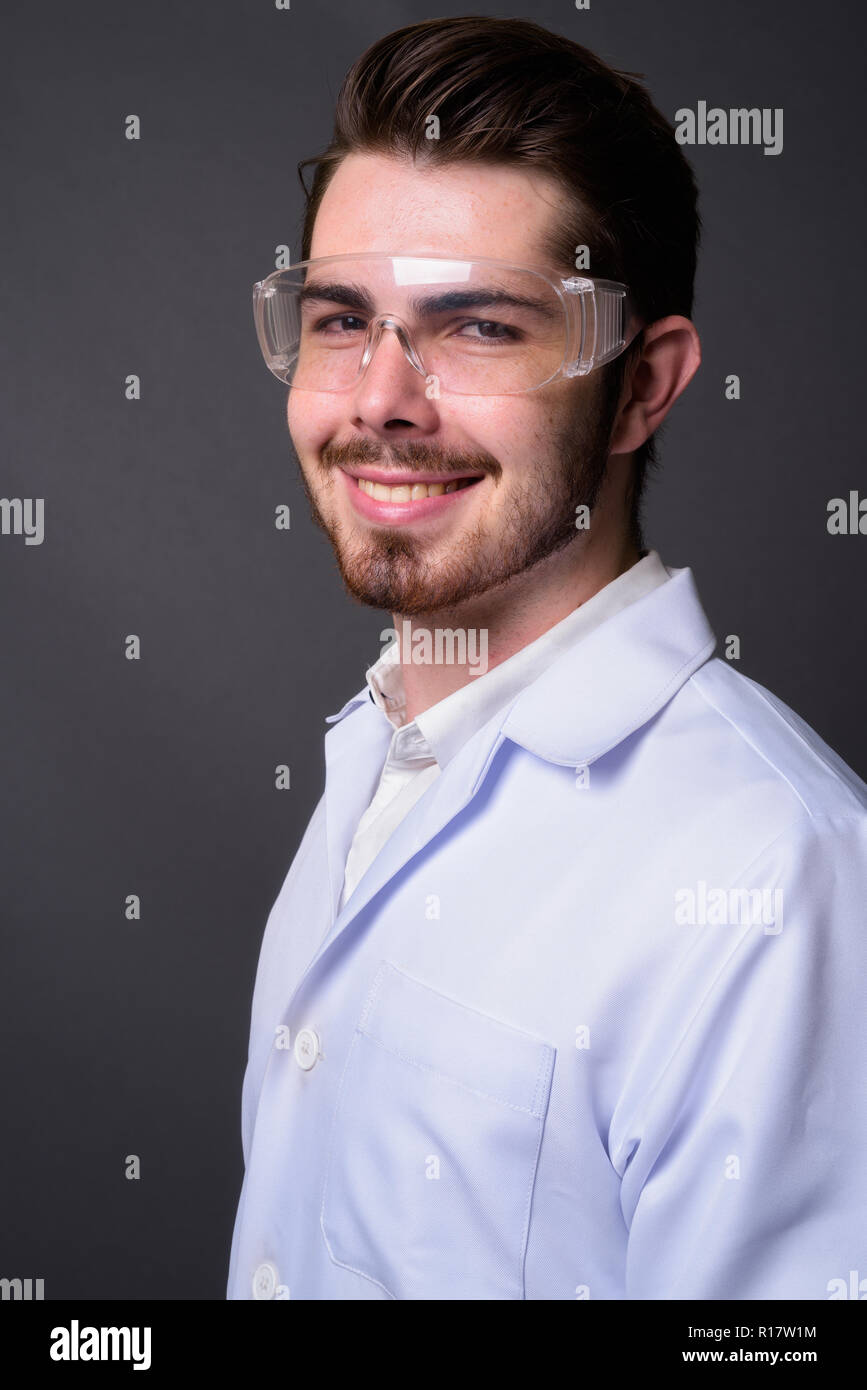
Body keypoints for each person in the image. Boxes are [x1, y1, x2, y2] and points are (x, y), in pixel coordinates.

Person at [227, 16, 867, 1300]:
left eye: (477, 328)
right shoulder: (377, 757)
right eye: (342, 318)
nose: (380, 401)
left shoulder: (779, 882)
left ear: (641, 389)